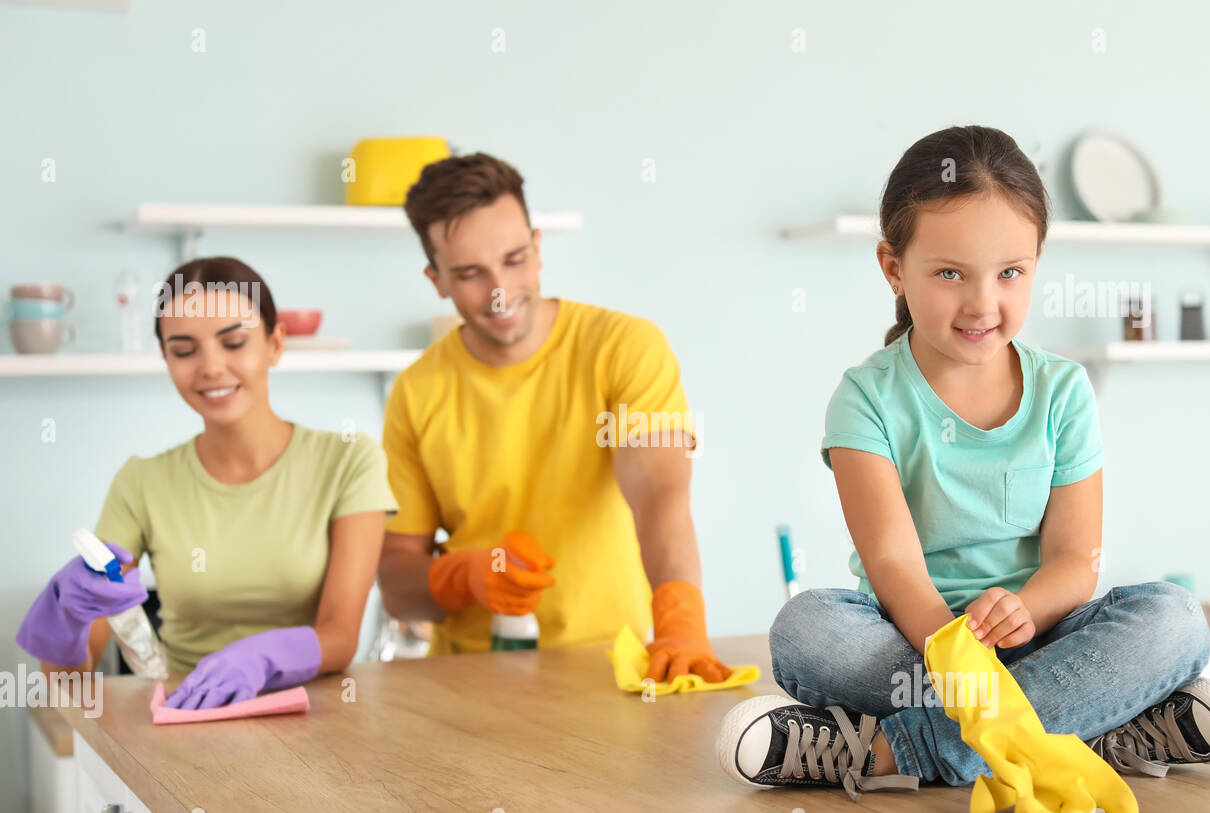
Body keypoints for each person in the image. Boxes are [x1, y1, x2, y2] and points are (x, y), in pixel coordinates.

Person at [717, 126, 1210, 797]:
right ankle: (1090, 732)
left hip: (1047, 642)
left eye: (1010, 273)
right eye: (949, 274)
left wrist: (1026, 608)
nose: (983, 304)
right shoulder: (865, 398)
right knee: (806, 630)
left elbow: (1074, 562)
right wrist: (960, 657)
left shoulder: (1063, 390)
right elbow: (893, 565)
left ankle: (895, 751)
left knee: (1174, 619)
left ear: (1035, 265)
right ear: (893, 268)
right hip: (918, 648)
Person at [378, 152, 732, 682]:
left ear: (538, 249)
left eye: (515, 259)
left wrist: (680, 620)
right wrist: (461, 577)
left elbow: (659, 489)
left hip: (612, 669)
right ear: (437, 280)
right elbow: (397, 584)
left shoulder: (624, 348)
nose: (500, 292)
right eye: (471, 273)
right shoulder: (416, 391)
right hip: (467, 681)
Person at [15, 257, 398, 709]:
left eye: (233, 342)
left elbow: (340, 635)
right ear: (165, 359)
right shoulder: (142, 481)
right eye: (183, 350)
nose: (211, 367)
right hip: (184, 713)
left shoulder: (350, 462)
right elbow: (71, 680)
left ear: (276, 344)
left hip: (317, 716)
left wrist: (263, 657)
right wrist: (67, 617)